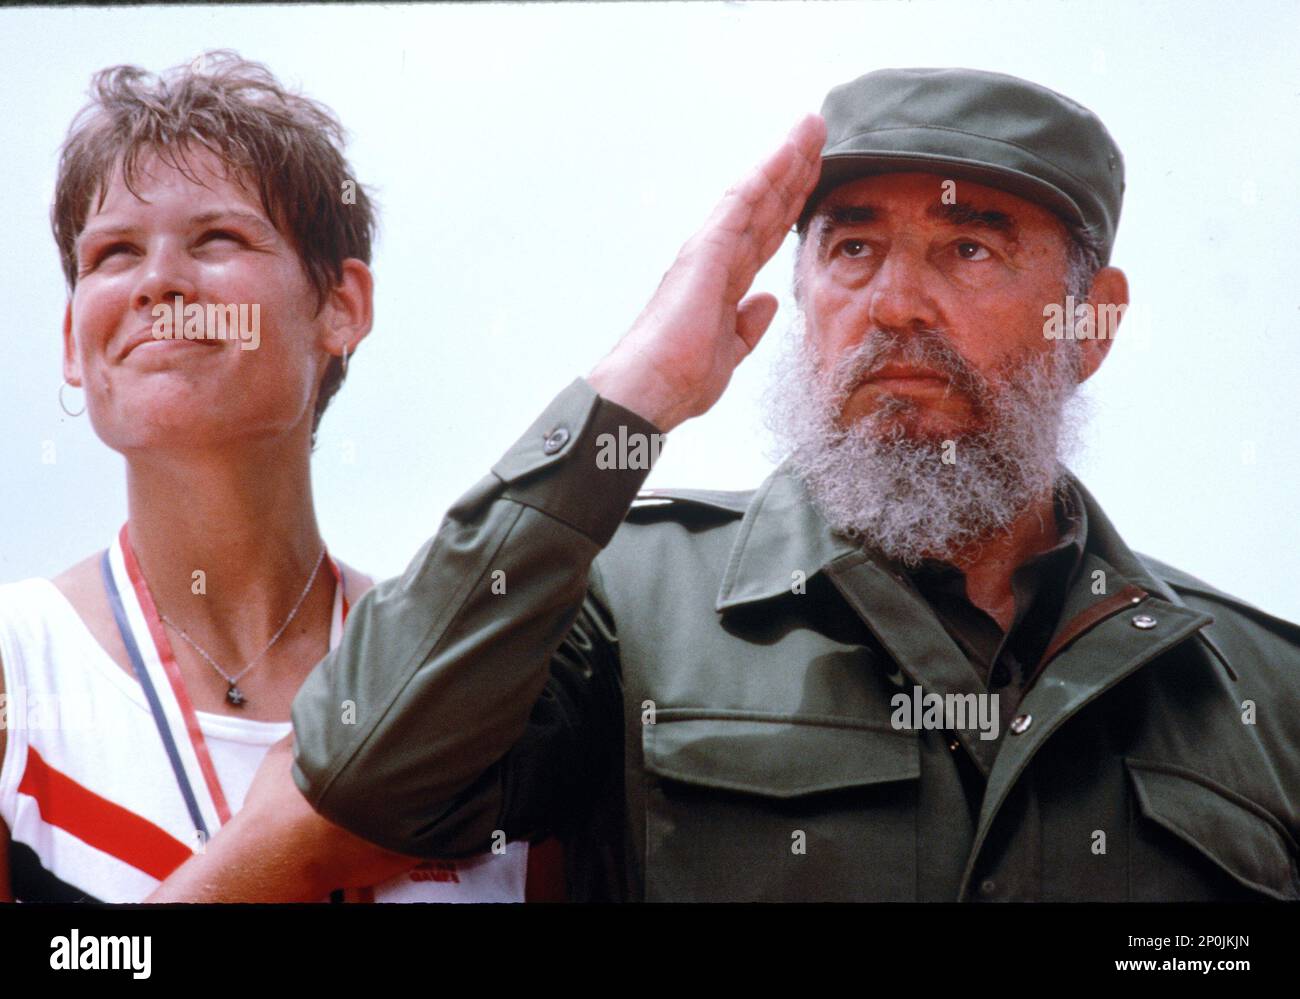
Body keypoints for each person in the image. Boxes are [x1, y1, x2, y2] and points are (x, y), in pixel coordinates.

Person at [152, 67, 1300, 903]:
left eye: (968, 248)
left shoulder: (1258, 693)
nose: (895, 302)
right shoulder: (621, 603)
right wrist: (628, 402)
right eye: (850, 248)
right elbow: (361, 772)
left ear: (1088, 324)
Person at [0, 51, 563, 903]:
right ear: (73, 342)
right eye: (113, 253)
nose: (159, 282)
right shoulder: (18, 673)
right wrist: (294, 853)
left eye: (217, 237)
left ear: (341, 306)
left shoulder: (473, 685)